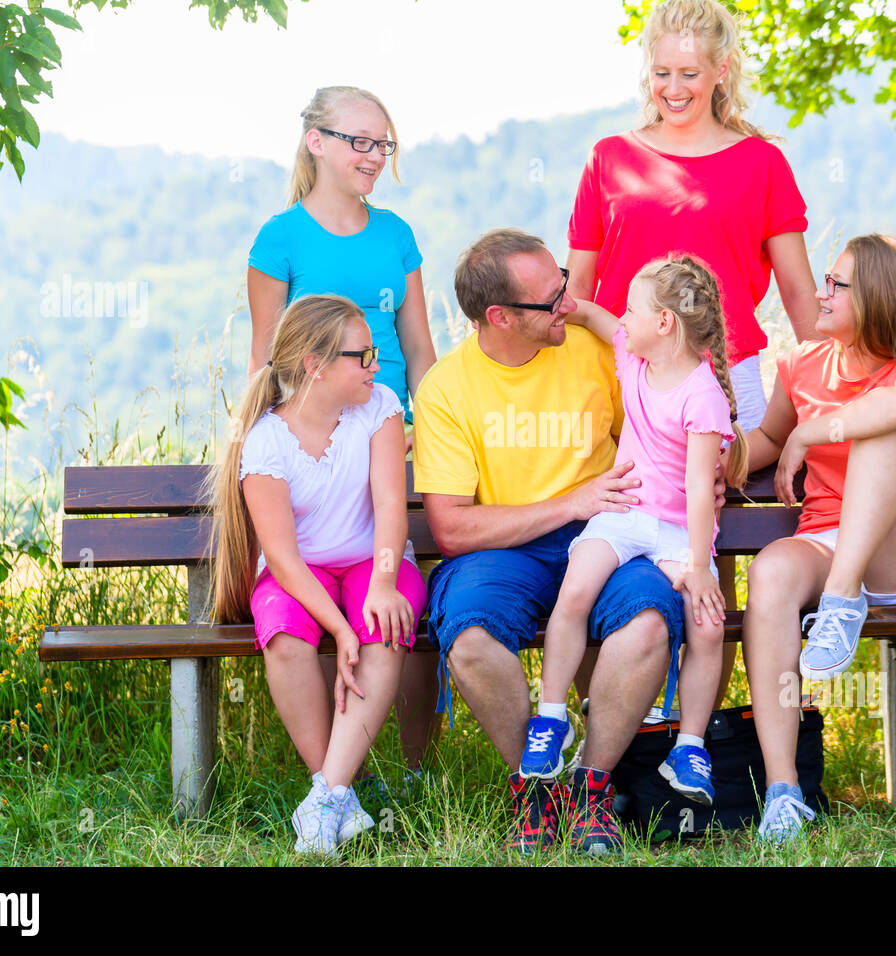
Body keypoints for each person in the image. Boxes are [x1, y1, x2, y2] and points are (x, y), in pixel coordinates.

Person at [413, 229, 693, 855]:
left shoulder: (597, 351)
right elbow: (454, 529)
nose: (569, 302)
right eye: (550, 299)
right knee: (471, 638)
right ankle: (535, 790)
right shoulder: (447, 389)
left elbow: (661, 435)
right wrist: (568, 502)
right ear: (500, 317)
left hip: (609, 533)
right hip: (503, 551)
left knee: (648, 622)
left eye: (564, 282)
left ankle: (591, 787)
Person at [741, 234, 896, 842]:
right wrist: (712, 455)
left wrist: (815, 430)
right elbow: (765, 440)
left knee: (884, 423)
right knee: (768, 572)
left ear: (880, 300)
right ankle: (784, 791)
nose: (820, 291)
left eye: (837, 284)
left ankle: (842, 601)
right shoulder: (801, 365)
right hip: (826, 538)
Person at [246, 85, 438, 771]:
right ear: (316, 141)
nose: (374, 156)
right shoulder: (280, 238)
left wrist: (430, 432)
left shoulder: (396, 235)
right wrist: (273, 444)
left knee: (399, 607)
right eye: (360, 141)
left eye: (383, 144)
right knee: (320, 602)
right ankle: (340, 782)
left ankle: (418, 774)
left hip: (391, 437)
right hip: (317, 436)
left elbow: (418, 350)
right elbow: (265, 358)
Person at [518, 255, 748, 810]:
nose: (624, 319)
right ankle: (551, 719)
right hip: (624, 513)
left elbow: (699, 491)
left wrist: (699, 565)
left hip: (675, 530)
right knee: (576, 589)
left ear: (665, 323)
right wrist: (570, 311)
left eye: (634, 309)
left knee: (707, 624)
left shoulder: (703, 396)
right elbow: (602, 321)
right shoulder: (634, 355)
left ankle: (690, 746)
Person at [209, 294, 427, 855]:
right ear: (315, 364)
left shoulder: (379, 408)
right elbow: (281, 559)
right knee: (283, 636)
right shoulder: (265, 441)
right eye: (363, 355)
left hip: (370, 562)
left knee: (387, 621)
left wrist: (382, 581)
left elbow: (390, 511)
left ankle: (326, 798)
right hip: (301, 575)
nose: (376, 365)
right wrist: (338, 628)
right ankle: (337, 795)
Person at [567, 0, 820, 433]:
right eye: (662, 72)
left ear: (720, 70)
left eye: (689, 74)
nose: (673, 88)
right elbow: (578, 288)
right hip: (619, 377)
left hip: (727, 377)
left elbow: (798, 291)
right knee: (626, 501)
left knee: (730, 495)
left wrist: (827, 391)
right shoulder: (608, 158)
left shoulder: (762, 163)